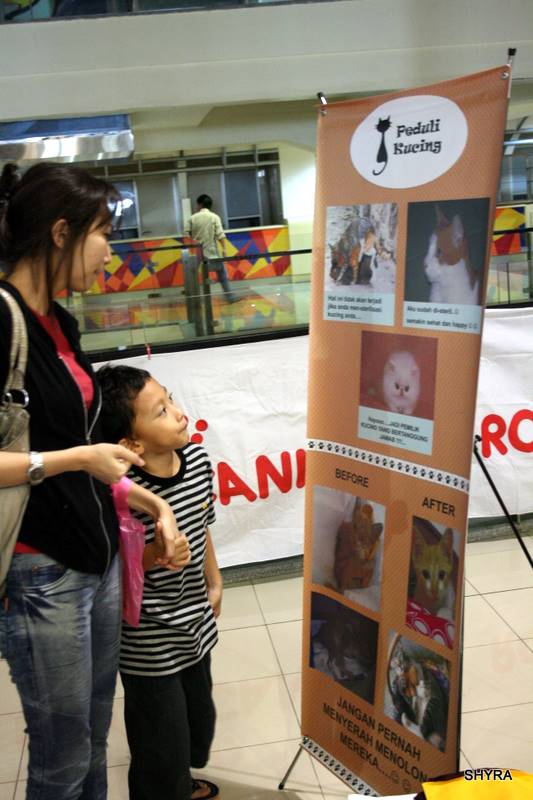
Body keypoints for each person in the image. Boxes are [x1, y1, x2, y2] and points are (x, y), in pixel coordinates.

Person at [0, 161, 189, 800]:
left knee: (94, 735)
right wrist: (77, 462)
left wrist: (143, 502)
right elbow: (67, 456)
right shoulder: (4, 320)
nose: (111, 253)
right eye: (104, 233)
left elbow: (77, 444)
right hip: (39, 571)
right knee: (59, 755)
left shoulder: (62, 322)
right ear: (61, 232)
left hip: (98, 556)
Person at [97, 363, 223, 800]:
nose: (179, 413)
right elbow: (115, 567)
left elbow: (204, 525)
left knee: (197, 721)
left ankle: (180, 781)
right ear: (130, 442)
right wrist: (153, 556)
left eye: (170, 400)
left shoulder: (199, 461)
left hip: (195, 624)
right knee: (160, 741)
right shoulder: (121, 490)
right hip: (148, 640)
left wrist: (215, 579)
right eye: (161, 411)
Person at [186, 194, 236, 303]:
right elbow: (220, 235)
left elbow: (187, 234)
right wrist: (224, 249)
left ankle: (193, 299)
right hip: (211, 250)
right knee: (222, 273)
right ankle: (230, 297)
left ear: (199, 205)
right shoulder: (214, 217)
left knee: (193, 277)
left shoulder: (192, 218)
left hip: (196, 252)